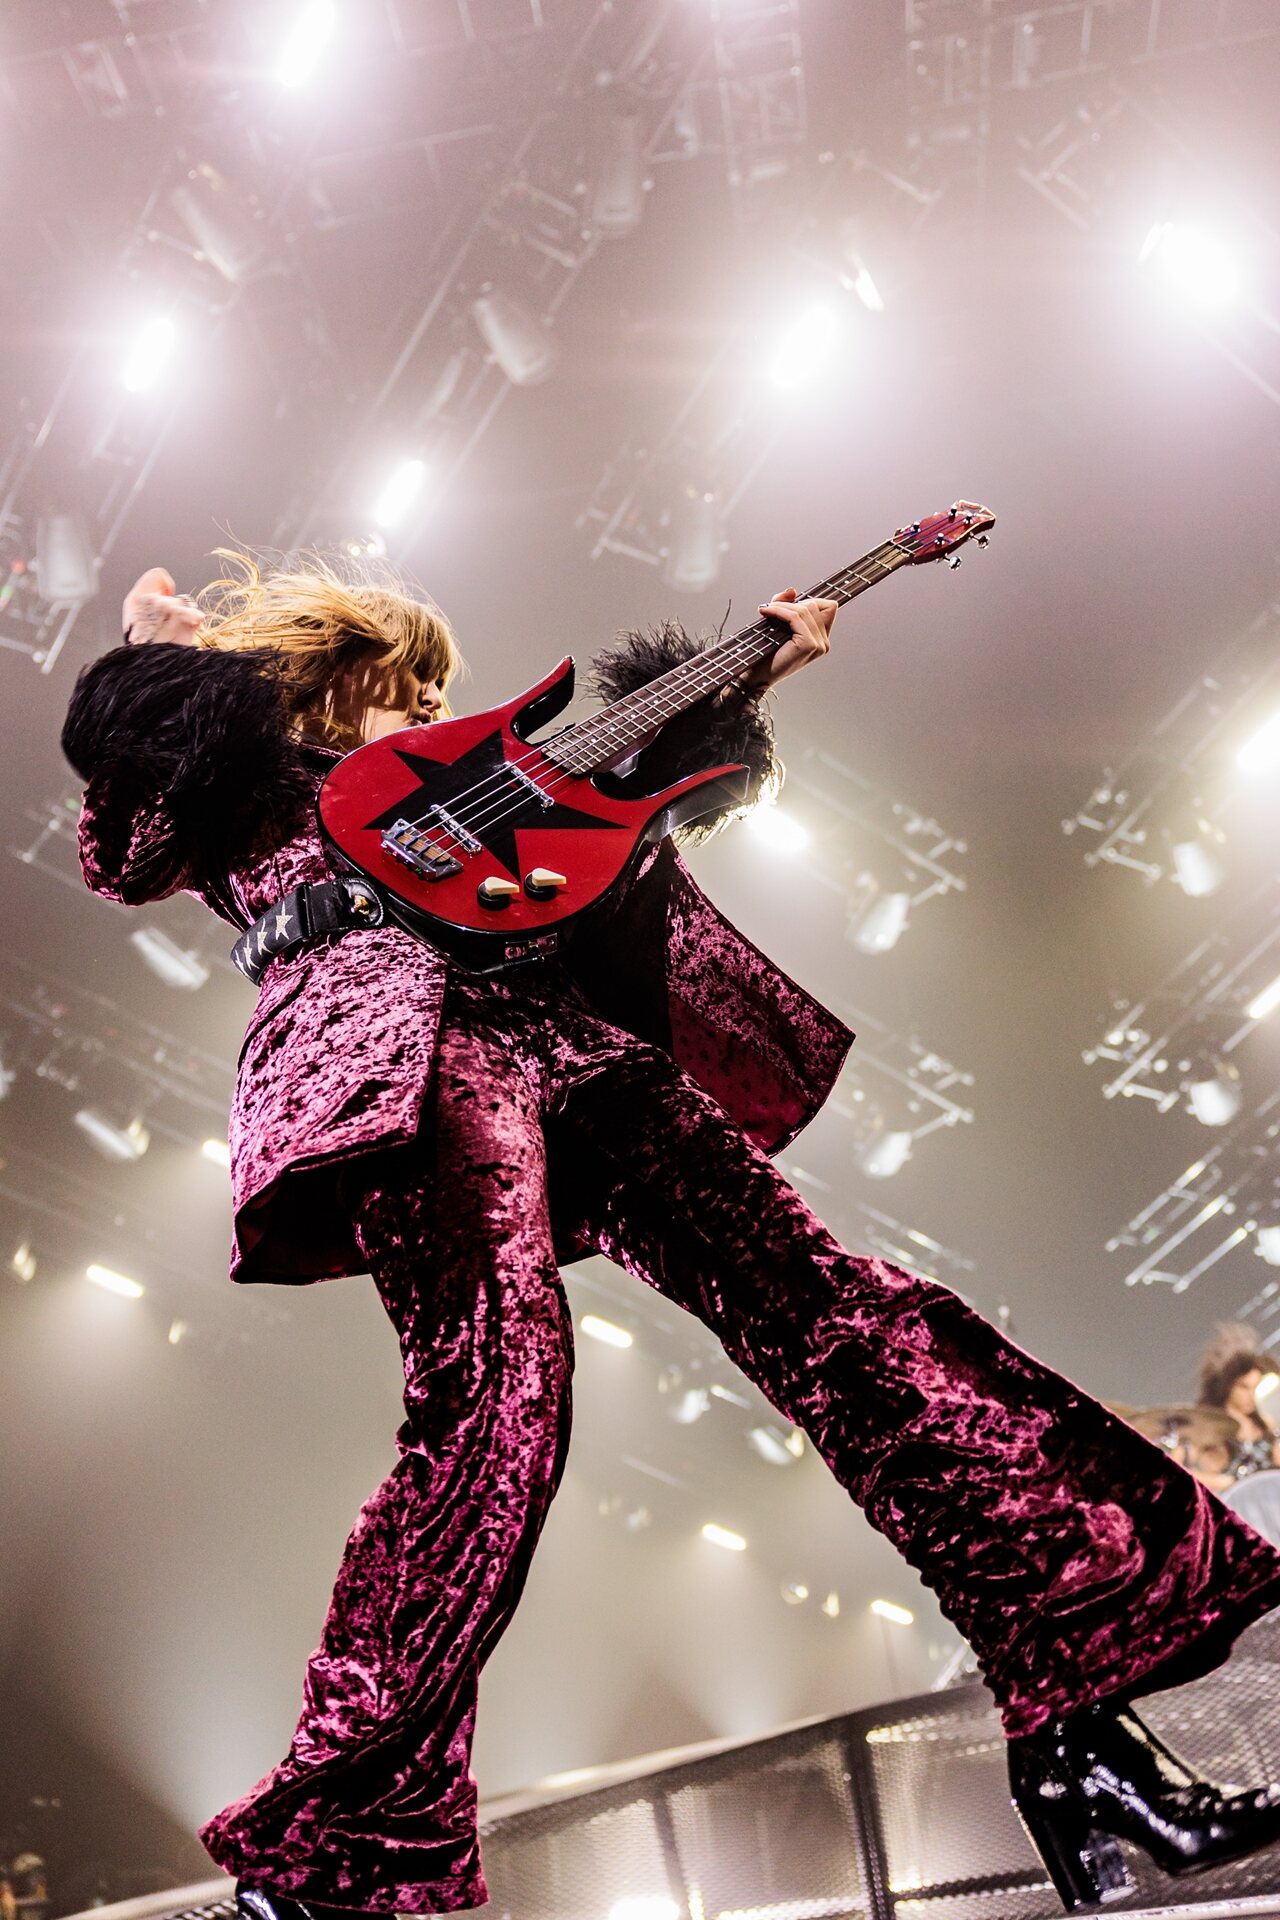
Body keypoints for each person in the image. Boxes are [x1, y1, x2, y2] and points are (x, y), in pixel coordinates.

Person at [61, 552, 1280, 1919]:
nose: (422, 712)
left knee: (846, 1317)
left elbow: (609, 840)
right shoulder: (239, 776)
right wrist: (152, 656)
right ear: (343, 676)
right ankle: (337, 1851)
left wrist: (729, 692)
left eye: (429, 696)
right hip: (399, 1046)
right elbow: (121, 853)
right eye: (404, 688)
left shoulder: (471, 793)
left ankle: (1083, 1724)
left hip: (563, 1033)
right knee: (497, 1396)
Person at [1196, 1324, 1280, 1491]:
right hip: (1237, 1506)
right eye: (1244, 1387)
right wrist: (1225, 1482)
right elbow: (1187, 1473)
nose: (1250, 1395)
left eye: (1255, 1387)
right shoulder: (1210, 1428)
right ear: (1228, 1386)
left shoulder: (1264, 1423)